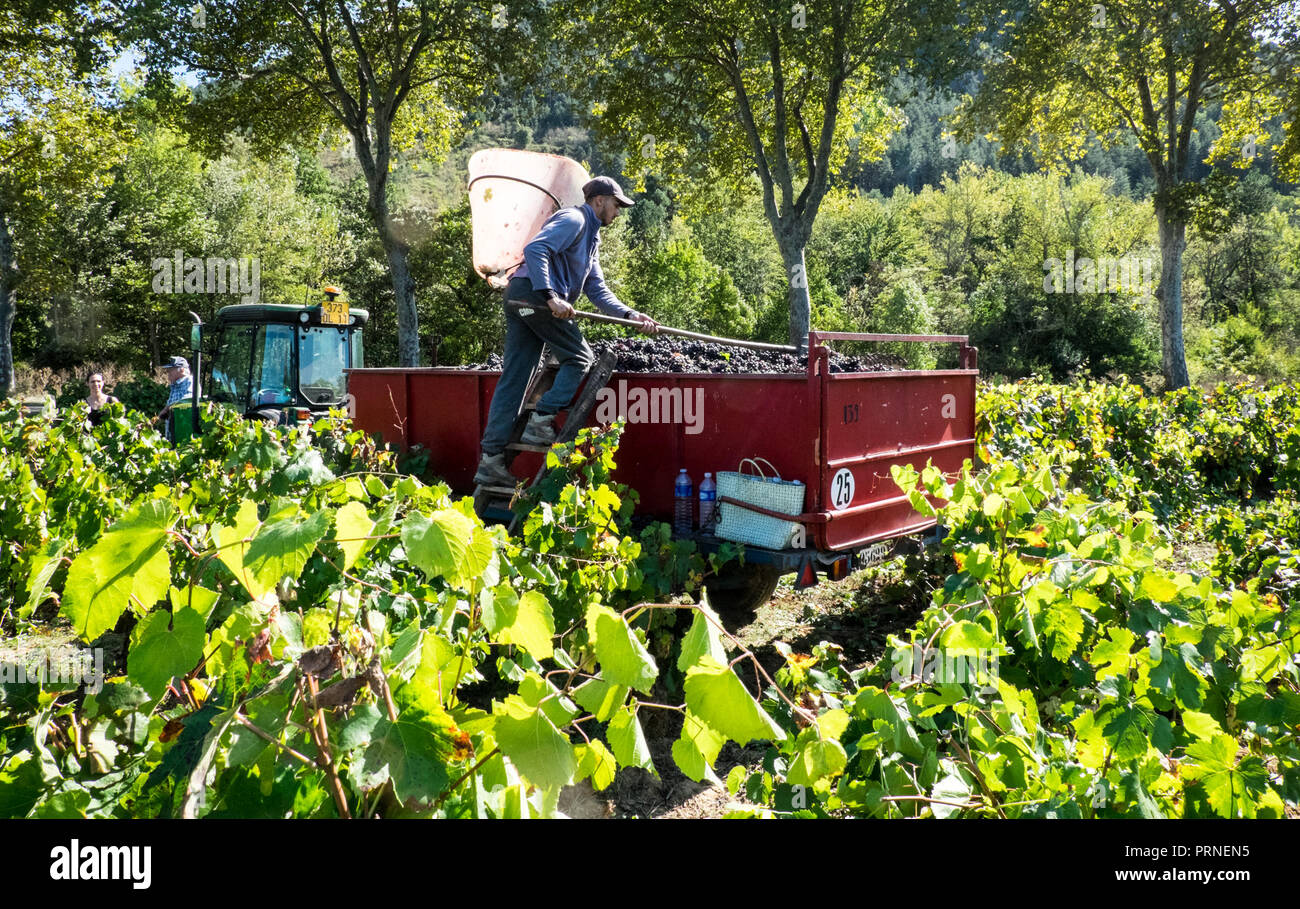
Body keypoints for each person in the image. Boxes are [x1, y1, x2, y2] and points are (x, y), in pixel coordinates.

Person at [475, 176, 659, 487]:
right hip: (535, 297)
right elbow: (536, 249)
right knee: (579, 358)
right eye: (616, 205)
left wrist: (629, 314)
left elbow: (598, 290)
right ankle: (541, 420)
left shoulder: (592, 239)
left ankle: (490, 461)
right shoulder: (574, 219)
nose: (618, 212)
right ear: (598, 201)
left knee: (517, 378)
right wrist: (551, 295)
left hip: (522, 297)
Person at [153, 356, 199, 439]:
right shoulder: (175, 385)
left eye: (171, 370)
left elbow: (185, 401)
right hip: (173, 432)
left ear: (182, 370)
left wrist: (165, 411)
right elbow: (169, 405)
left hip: (183, 432)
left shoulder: (190, 381)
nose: (168, 373)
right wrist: (155, 420)